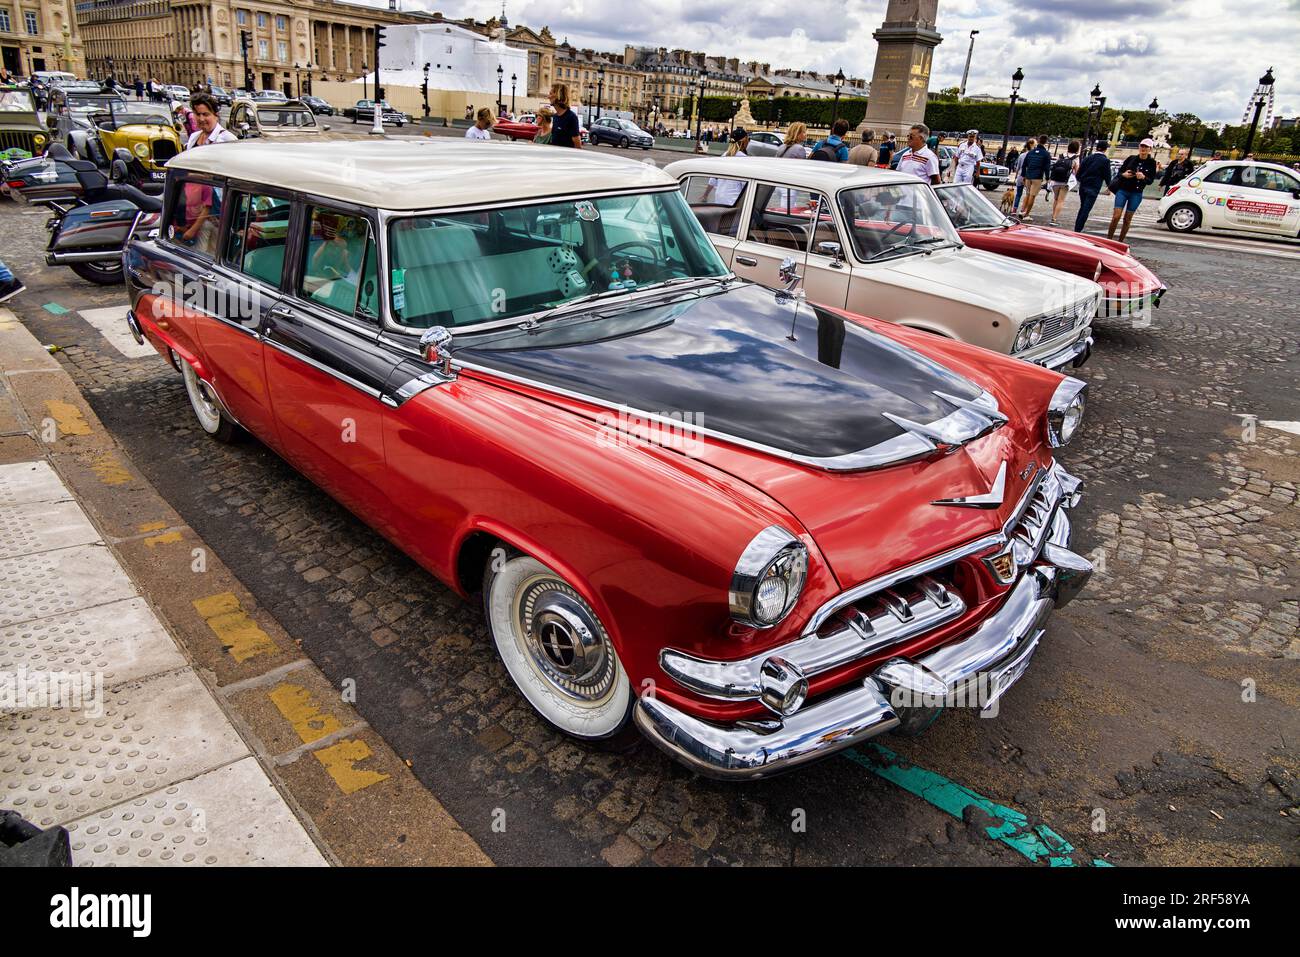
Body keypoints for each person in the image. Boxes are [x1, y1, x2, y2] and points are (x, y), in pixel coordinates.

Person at [1107, 137, 1157, 242]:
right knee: (1116, 216)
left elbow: (1150, 180)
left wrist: (1143, 177)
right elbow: (1120, 172)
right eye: (1142, 146)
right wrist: (1124, 174)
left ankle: (1120, 241)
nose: (1143, 148)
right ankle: (1109, 239)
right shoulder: (1131, 158)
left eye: (1146, 147)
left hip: (1136, 192)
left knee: (1127, 219)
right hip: (1123, 189)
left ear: (1150, 149)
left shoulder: (1152, 163)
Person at [1074, 139, 1111, 232]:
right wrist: (1109, 187)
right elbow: (1107, 176)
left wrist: (1082, 180)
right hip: (1094, 186)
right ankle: (1078, 228)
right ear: (1105, 149)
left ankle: (1077, 227)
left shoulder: (1087, 158)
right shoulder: (1105, 161)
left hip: (1083, 185)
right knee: (1086, 209)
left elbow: (1078, 174)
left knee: (1082, 207)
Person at [1017, 135, 1052, 219]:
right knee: (1032, 196)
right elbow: (1047, 167)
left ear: (1039, 141)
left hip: (1028, 176)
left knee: (1028, 194)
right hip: (1037, 177)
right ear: (1046, 142)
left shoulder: (1031, 152)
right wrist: (1047, 178)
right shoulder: (1046, 154)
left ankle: (1022, 210)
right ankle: (1027, 214)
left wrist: (1024, 176)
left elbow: (1025, 165)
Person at [1047, 139, 1079, 225]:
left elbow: (1055, 166)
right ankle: (1054, 219)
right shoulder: (1076, 158)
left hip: (1055, 180)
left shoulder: (1061, 155)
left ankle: (1053, 215)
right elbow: (1076, 171)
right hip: (1065, 181)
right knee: (1061, 200)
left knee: (1056, 199)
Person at [547, 83, 581, 148]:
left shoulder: (571, 117)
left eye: (551, 94)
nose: (548, 97)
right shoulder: (555, 116)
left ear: (558, 96)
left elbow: (577, 143)